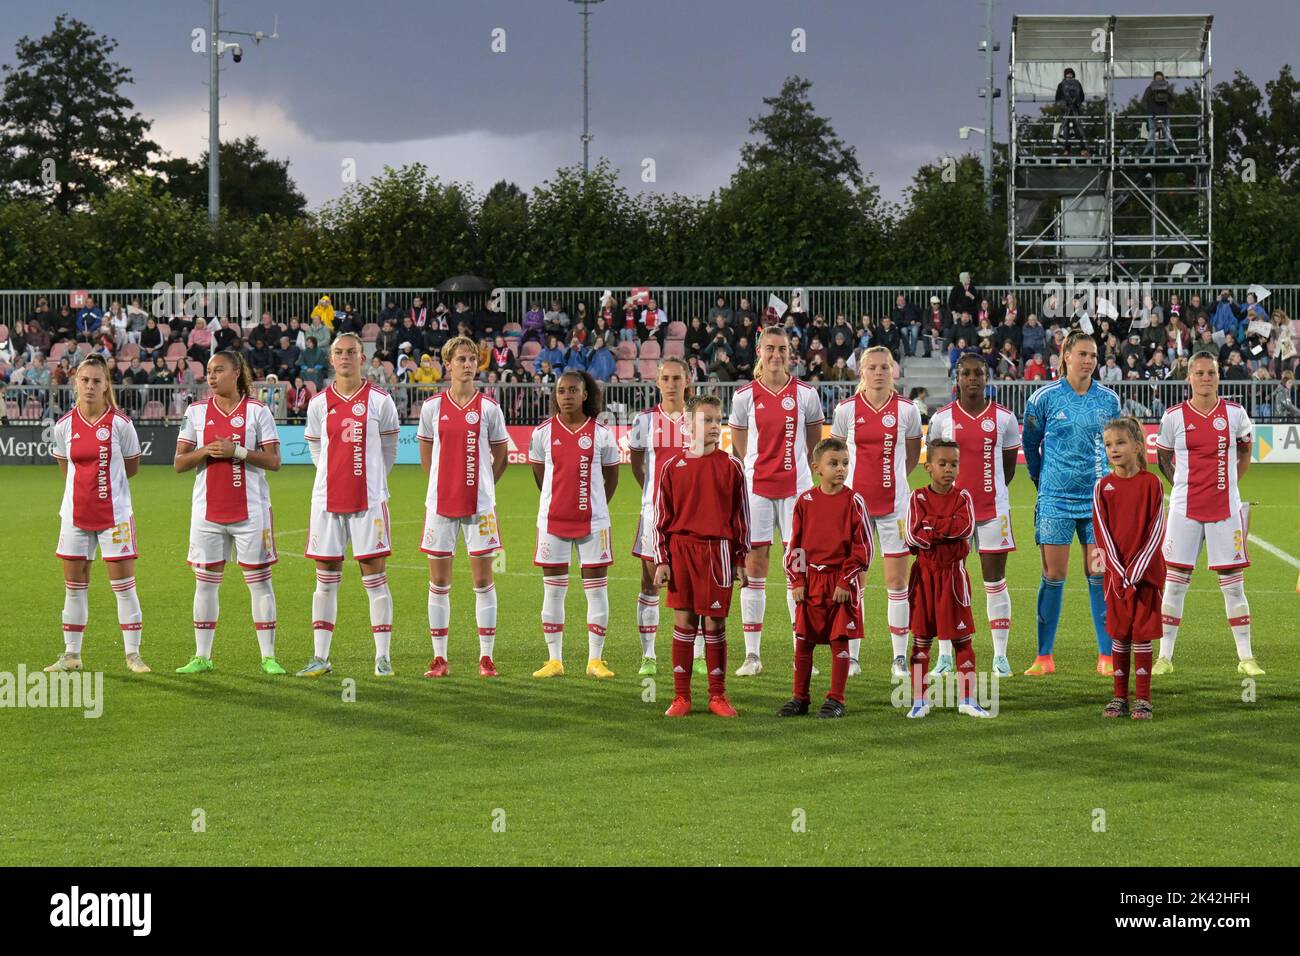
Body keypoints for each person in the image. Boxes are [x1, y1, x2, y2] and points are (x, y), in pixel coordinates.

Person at [296, 332, 402, 678]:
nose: (345, 357)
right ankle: (320, 657)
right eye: (339, 352)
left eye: (351, 352)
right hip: (326, 501)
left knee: (375, 576)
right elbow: (315, 449)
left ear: (362, 357)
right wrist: (335, 475)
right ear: (331, 359)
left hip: (368, 501)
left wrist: (371, 480)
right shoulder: (317, 403)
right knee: (325, 580)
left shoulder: (380, 401)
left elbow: (389, 449)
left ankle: (382, 658)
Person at [173, 350, 285, 675]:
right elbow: (179, 462)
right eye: (209, 371)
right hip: (207, 513)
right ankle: (202, 655)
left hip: (251, 512)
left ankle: (269, 657)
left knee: (259, 582)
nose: (211, 376)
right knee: (205, 584)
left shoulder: (257, 411)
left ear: (236, 373)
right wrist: (206, 450)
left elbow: (274, 461)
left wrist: (236, 451)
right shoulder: (195, 412)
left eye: (218, 370)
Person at [1153, 352, 1262, 676]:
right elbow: (1163, 457)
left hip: (1225, 509)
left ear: (1218, 376)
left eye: (1210, 373)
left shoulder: (1235, 414)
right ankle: (1165, 657)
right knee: (1174, 584)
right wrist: (1183, 486)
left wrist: (1227, 484)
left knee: (1232, 584)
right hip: (1184, 511)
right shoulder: (1173, 417)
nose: (1205, 378)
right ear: (1189, 377)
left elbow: (1245, 453)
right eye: (1199, 373)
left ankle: (1246, 657)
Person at [727, 326, 826, 677]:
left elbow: (814, 440)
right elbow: (740, 443)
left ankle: (801, 650)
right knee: (754, 568)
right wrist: (759, 469)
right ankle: (752, 655)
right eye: (769, 349)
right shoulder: (743, 397)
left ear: (790, 353)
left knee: (796, 567)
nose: (776, 355)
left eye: (782, 349)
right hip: (757, 491)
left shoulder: (806, 394)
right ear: (759, 352)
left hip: (796, 489)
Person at [1022, 329, 1121, 676]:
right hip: (1055, 501)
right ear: (1066, 355)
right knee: (1053, 574)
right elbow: (1030, 444)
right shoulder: (1043, 399)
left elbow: (1116, 447)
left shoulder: (1109, 401)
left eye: (1093, 355)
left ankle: (1107, 656)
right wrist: (1041, 482)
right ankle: (1044, 657)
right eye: (1082, 354)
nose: (1089, 361)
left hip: (1096, 503)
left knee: (1098, 574)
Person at [44, 354, 149, 675]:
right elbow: (67, 469)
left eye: (96, 381)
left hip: (115, 515)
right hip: (75, 516)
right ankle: (71, 654)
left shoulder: (121, 424)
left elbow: (131, 467)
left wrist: (107, 488)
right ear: (76, 383)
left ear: (106, 386)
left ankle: (133, 655)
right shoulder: (63, 427)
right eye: (84, 380)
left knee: (124, 586)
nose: (90, 386)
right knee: (74, 587)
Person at [418, 336, 511, 679]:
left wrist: (485, 486)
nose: (468, 364)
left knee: (483, 580)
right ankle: (439, 658)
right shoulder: (432, 408)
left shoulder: (489, 408)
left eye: (472, 359)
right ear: (448, 364)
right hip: (440, 505)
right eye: (461, 359)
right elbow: (426, 453)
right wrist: (439, 485)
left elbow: (500, 454)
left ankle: (486, 658)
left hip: (479, 507)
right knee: (439, 583)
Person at [925, 354, 1021, 677]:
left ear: (987, 377)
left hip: (994, 511)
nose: (972, 379)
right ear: (957, 378)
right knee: (946, 581)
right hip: (953, 513)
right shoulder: (941, 419)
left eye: (978, 373)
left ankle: (1000, 656)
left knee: (995, 582)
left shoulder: (1005, 419)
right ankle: (945, 655)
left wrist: (988, 490)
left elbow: (1007, 469)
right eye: (966, 373)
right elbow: (937, 468)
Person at [830, 346, 923, 678]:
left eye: (885, 367)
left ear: (893, 371)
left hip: (896, 506)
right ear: (862, 372)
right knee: (854, 581)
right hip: (855, 508)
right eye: (873, 367)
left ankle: (899, 658)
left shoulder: (909, 411)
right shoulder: (845, 411)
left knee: (897, 582)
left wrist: (894, 480)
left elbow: (913, 456)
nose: (880, 372)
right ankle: (853, 656)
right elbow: (837, 456)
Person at [654, 393, 749, 718]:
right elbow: (661, 518)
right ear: (687, 424)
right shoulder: (672, 467)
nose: (712, 426)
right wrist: (662, 560)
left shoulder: (732, 466)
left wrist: (739, 560)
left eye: (716, 420)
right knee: (683, 621)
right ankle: (681, 697)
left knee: (715, 622)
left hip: (717, 552)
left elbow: (741, 518)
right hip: (681, 551)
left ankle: (717, 696)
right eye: (705, 420)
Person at [528, 370, 621, 679]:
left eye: (573, 390)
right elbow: (540, 476)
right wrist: (562, 501)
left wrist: (592, 505)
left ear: (585, 395)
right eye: (561, 390)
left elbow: (611, 477)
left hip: (594, 523)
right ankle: (554, 660)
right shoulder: (542, 433)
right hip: (552, 521)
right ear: (555, 396)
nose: (566, 395)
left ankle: (596, 660)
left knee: (596, 591)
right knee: (553, 591)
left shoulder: (602, 434)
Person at [777, 438, 872, 719]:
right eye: (834, 464)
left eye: (844, 463)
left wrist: (846, 580)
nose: (841, 469)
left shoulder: (854, 501)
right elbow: (795, 545)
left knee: (839, 639)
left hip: (840, 582)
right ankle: (799, 698)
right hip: (811, 581)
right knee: (803, 639)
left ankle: (836, 699)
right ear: (817, 467)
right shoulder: (805, 501)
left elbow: (863, 546)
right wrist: (797, 581)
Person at [901, 439, 992, 718]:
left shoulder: (963, 497)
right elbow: (912, 536)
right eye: (942, 464)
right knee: (920, 641)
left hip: (953, 577)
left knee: (962, 640)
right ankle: (919, 700)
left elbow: (964, 528)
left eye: (954, 464)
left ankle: (967, 699)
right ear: (928, 467)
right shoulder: (917, 497)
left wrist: (932, 527)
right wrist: (942, 527)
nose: (948, 469)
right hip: (925, 577)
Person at [1093, 417, 1166, 720]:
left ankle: (1144, 699)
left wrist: (1135, 571)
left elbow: (1156, 531)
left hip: (1145, 576)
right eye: (1109, 445)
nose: (1114, 449)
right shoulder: (1103, 486)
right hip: (1117, 578)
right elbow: (1102, 534)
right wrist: (1119, 572)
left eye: (1120, 443)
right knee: (1120, 634)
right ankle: (1119, 696)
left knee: (1143, 635)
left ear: (1138, 446)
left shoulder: (1152, 484)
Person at [626, 358, 695, 676]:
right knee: (650, 582)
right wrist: (656, 495)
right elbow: (638, 463)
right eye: (665, 378)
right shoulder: (644, 421)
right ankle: (648, 656)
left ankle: (698, 654)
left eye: (676, 378)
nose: (671, 384)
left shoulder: (698, 419)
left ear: (687, 381)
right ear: (657, 383)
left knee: (696, 585)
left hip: (694, 514)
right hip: (654, 514)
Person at [1140, 70, 1177, 155]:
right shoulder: (1149, 89)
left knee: (1167, 131)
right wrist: (1149, 111)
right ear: (1154, 79)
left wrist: (1170, 110)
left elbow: (1173, 99)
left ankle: (1170, 149)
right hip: (1152, 114)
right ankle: (1150, 150)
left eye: (1160, 79)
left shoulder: (1167, 88)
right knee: (1152, 132)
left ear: (1163, 79)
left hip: (1165, 113)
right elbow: (1144, 101)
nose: (1159, 81)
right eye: (1157, 79)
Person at [1055, 67, 1090, 154]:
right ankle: (1066, 148)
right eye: (1068, 73)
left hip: (1075, 108)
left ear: (1073, 74)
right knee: (1065, 128)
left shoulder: (1077, 84)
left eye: (1070, 73)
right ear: (1065, 75)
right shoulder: (1061, 85)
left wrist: (1077, 102)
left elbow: (1082, 96)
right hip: (1065, 109)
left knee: (1078, 127)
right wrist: (1064, 104)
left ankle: (1083, 148)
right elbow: (1057, 98)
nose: (1069, 75)